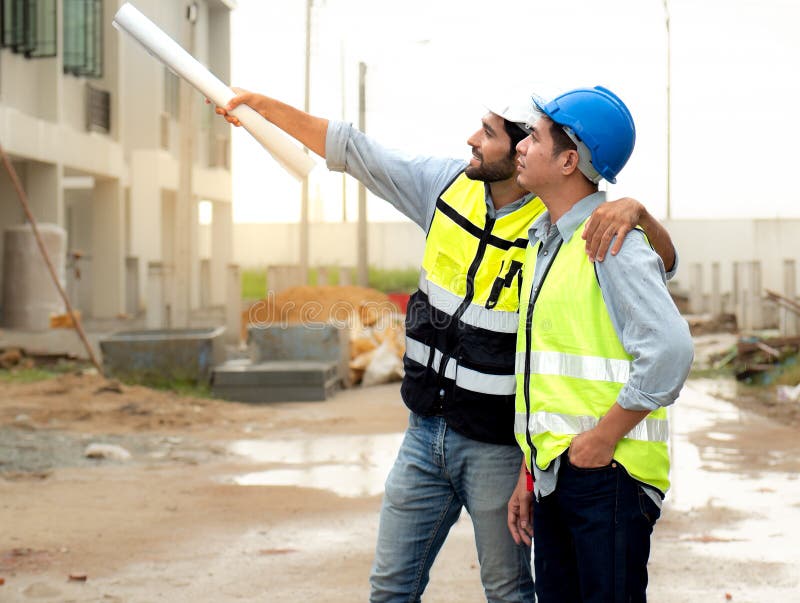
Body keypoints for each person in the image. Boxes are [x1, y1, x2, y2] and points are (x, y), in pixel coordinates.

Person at [213, 89, 676, 603]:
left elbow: (657, 271)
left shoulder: (557, 227)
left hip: (500, 447)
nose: (472, 140)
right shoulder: (452, 190)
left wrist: (636, 211)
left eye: (491, 133)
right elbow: (354, 148)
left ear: (528, 150)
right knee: (390, 588)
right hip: (428, 433)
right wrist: (261, 109)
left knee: (509, 591)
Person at [507, 86, 693, 603]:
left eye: (536, 138)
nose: (521, 146)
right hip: (563, 477)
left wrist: (603, 438)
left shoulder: (609, 239)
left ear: (569, 160)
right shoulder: (549, 242)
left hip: (607, 476)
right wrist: (533, 474)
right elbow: (549, 381)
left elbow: (671, 352)